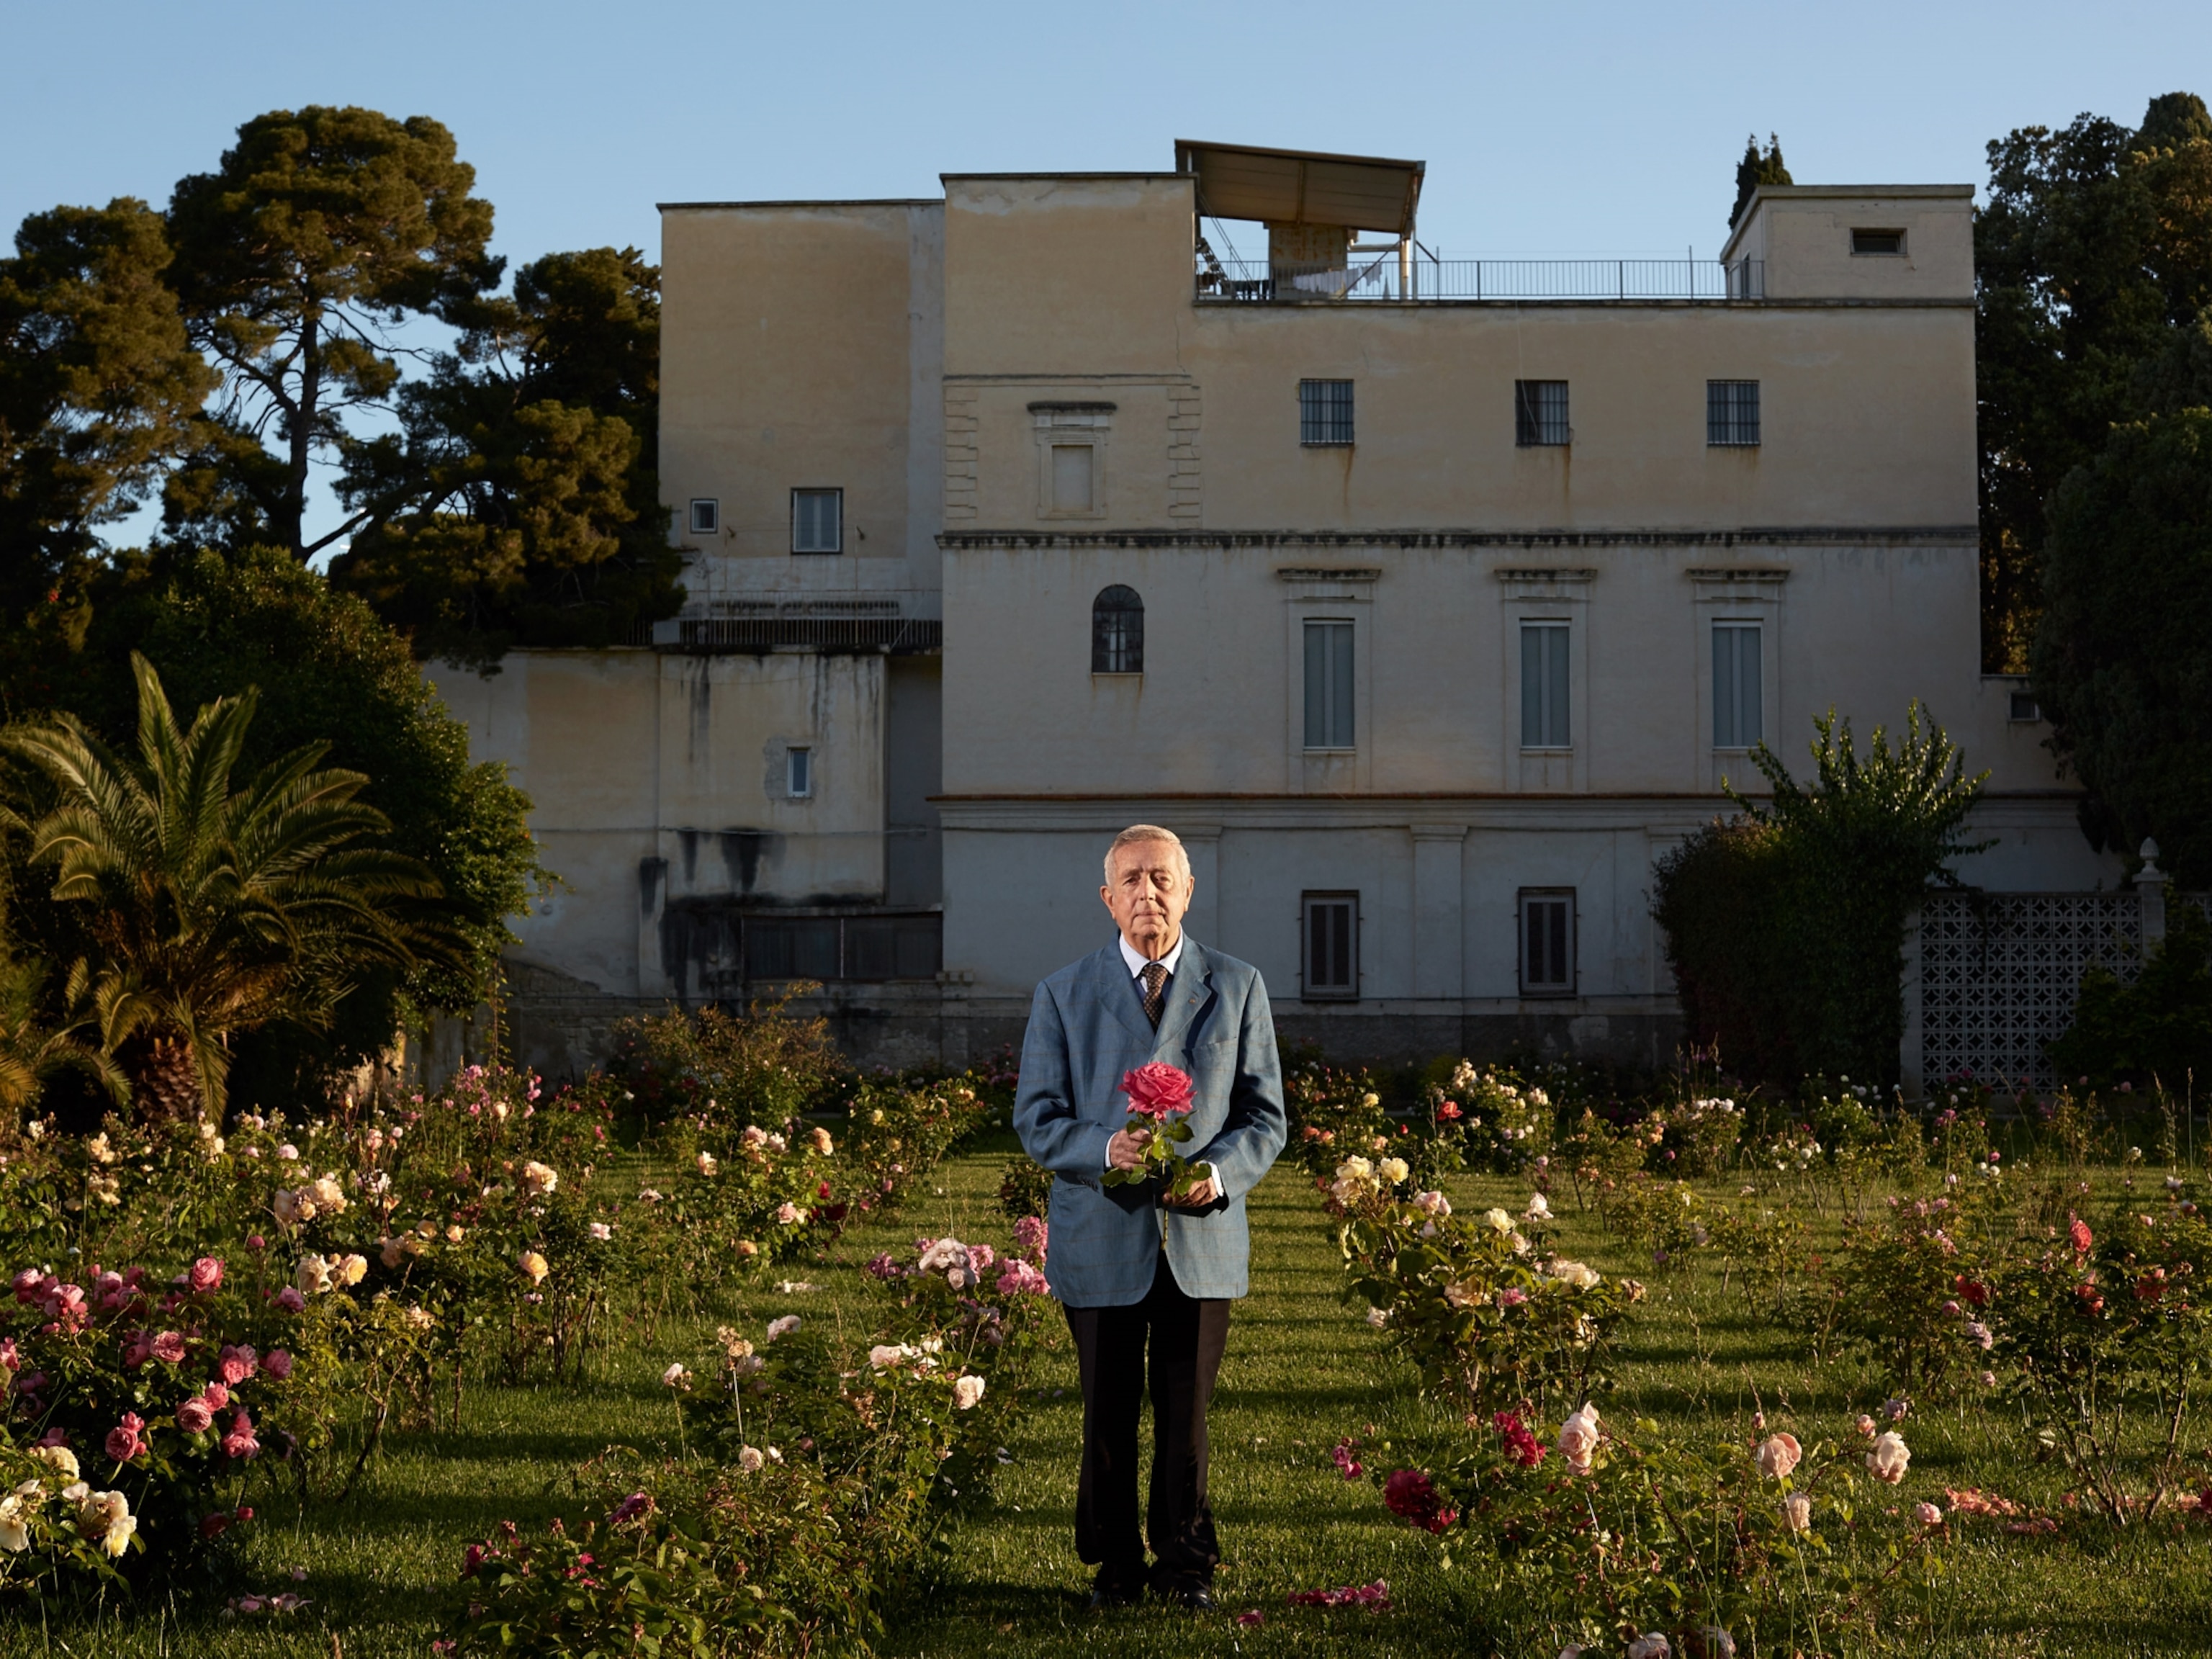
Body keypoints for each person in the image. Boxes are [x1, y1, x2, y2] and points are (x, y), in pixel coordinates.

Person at [1013, 824, 1287, 1611]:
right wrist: (1105, 1150)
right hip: (1102, 1234)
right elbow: (1036, 1118)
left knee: (1185, 1413)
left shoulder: (1236, 986)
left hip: (1200, 1238)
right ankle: (1114, 1568)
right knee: (1107, 1412)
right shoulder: (1064, 993)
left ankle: (1186, 1566)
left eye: (1163, 878)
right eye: (1131, 880)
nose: (1148, 893)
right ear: (1108, 898)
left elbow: (1264, 1116)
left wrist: (1216, 1172)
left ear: (1189, 890)